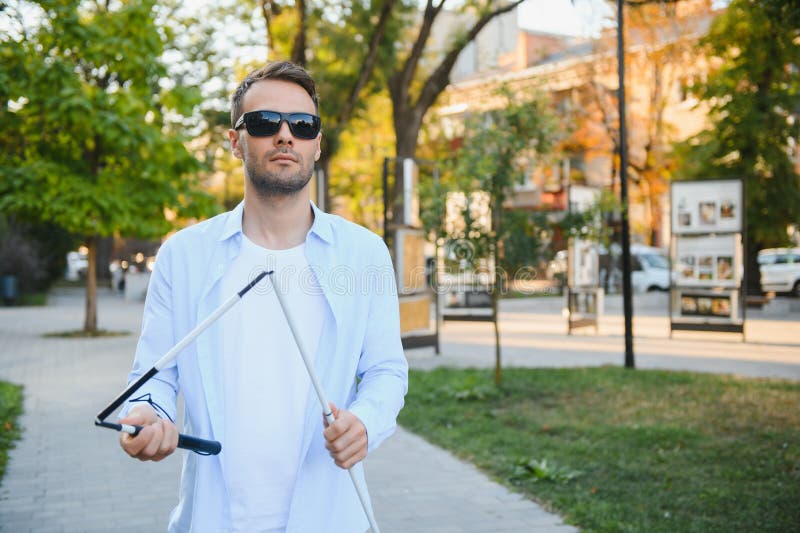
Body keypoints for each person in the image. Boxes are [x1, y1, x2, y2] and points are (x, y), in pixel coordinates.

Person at [117, 61, 408, 532]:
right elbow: (154, 377)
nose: (285, 135)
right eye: (264, 122)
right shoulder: (183, 256)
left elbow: (386, 370)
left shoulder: (364, 253)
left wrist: (365, 422)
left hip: (331, 517)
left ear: (317, 144)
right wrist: (147, 417)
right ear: (236, 141)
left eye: (302, 124)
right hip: (214, 520)